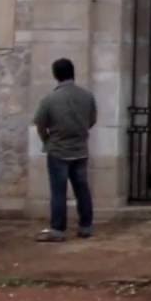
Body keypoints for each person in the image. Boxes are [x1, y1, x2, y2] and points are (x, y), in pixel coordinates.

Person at [33, 59, 97, 242]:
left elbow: (40, 123)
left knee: (59, 192)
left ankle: (58, 229)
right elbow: (92, 120)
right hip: (80, 149)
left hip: (58, 151)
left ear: (55, 75)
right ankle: (86, 226)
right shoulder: (87, 96)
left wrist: (47, 140)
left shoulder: (50, 99)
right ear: (72, 72)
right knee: (82, 189)